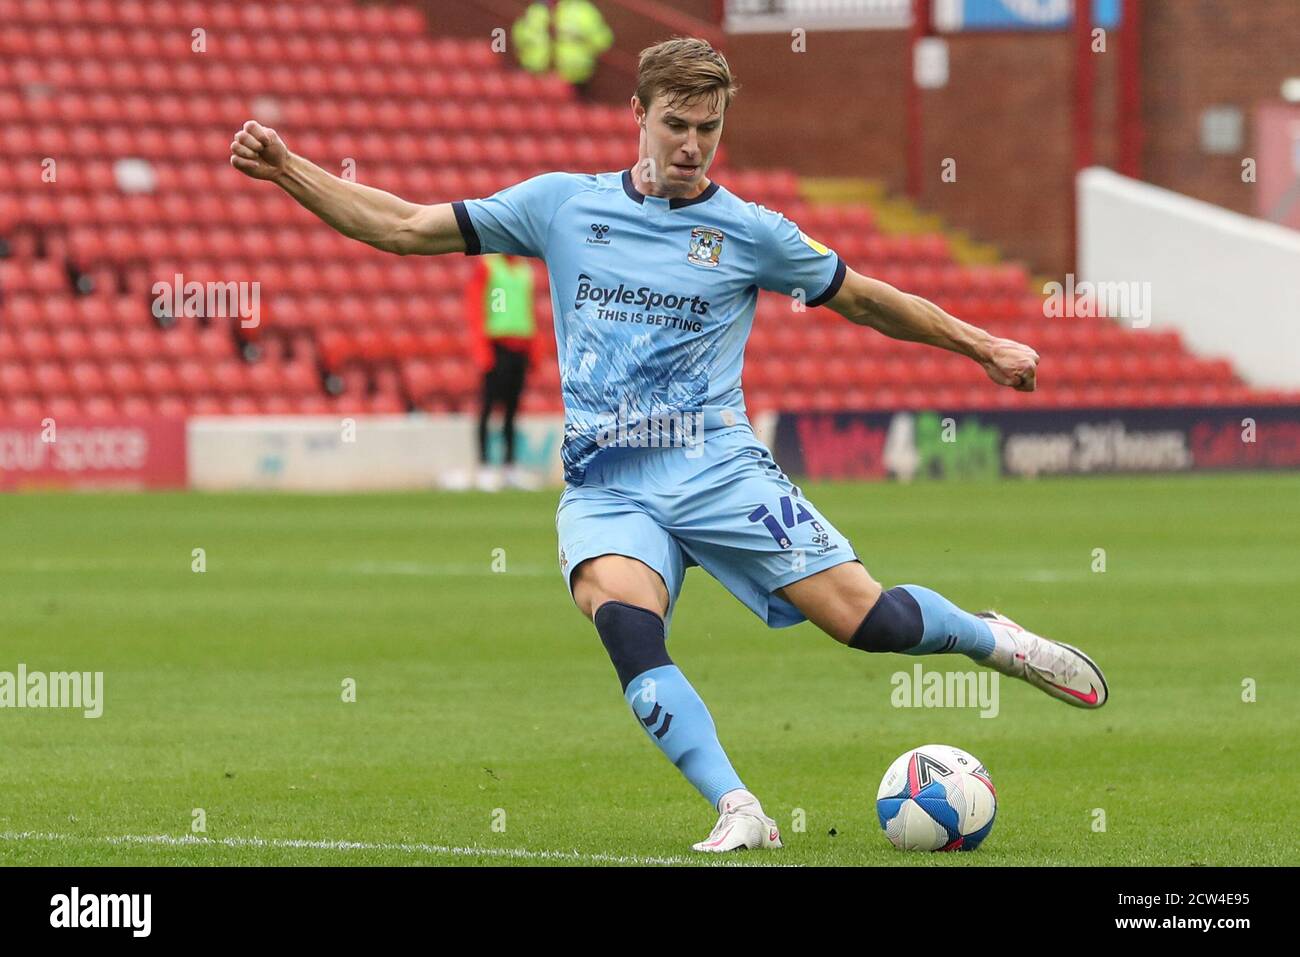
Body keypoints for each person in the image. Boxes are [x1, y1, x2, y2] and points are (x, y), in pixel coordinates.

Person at [229, 37, 1108, 854]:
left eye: (709, 128)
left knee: (868, 623)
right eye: (676, 125)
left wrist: (983, 345)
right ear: (640, 117)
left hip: (719, 469)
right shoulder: (561, 207)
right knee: (624, 623)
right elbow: (402, 225)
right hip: (609, 486)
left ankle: (994, 639)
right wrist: (288, 170)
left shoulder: (751, 232)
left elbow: (868, 298)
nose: (692, 145)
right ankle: (740, 806)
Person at [465, 252, 543, 490]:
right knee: (488, 408)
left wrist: (535, 349)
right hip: (496, 344)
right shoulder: (489, 266)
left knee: (512, 409)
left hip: (520, 345)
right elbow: (475, 306)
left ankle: (510, 466)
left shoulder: (525, 269)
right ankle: (485, 466)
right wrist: (481, 348)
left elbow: (530, 310)